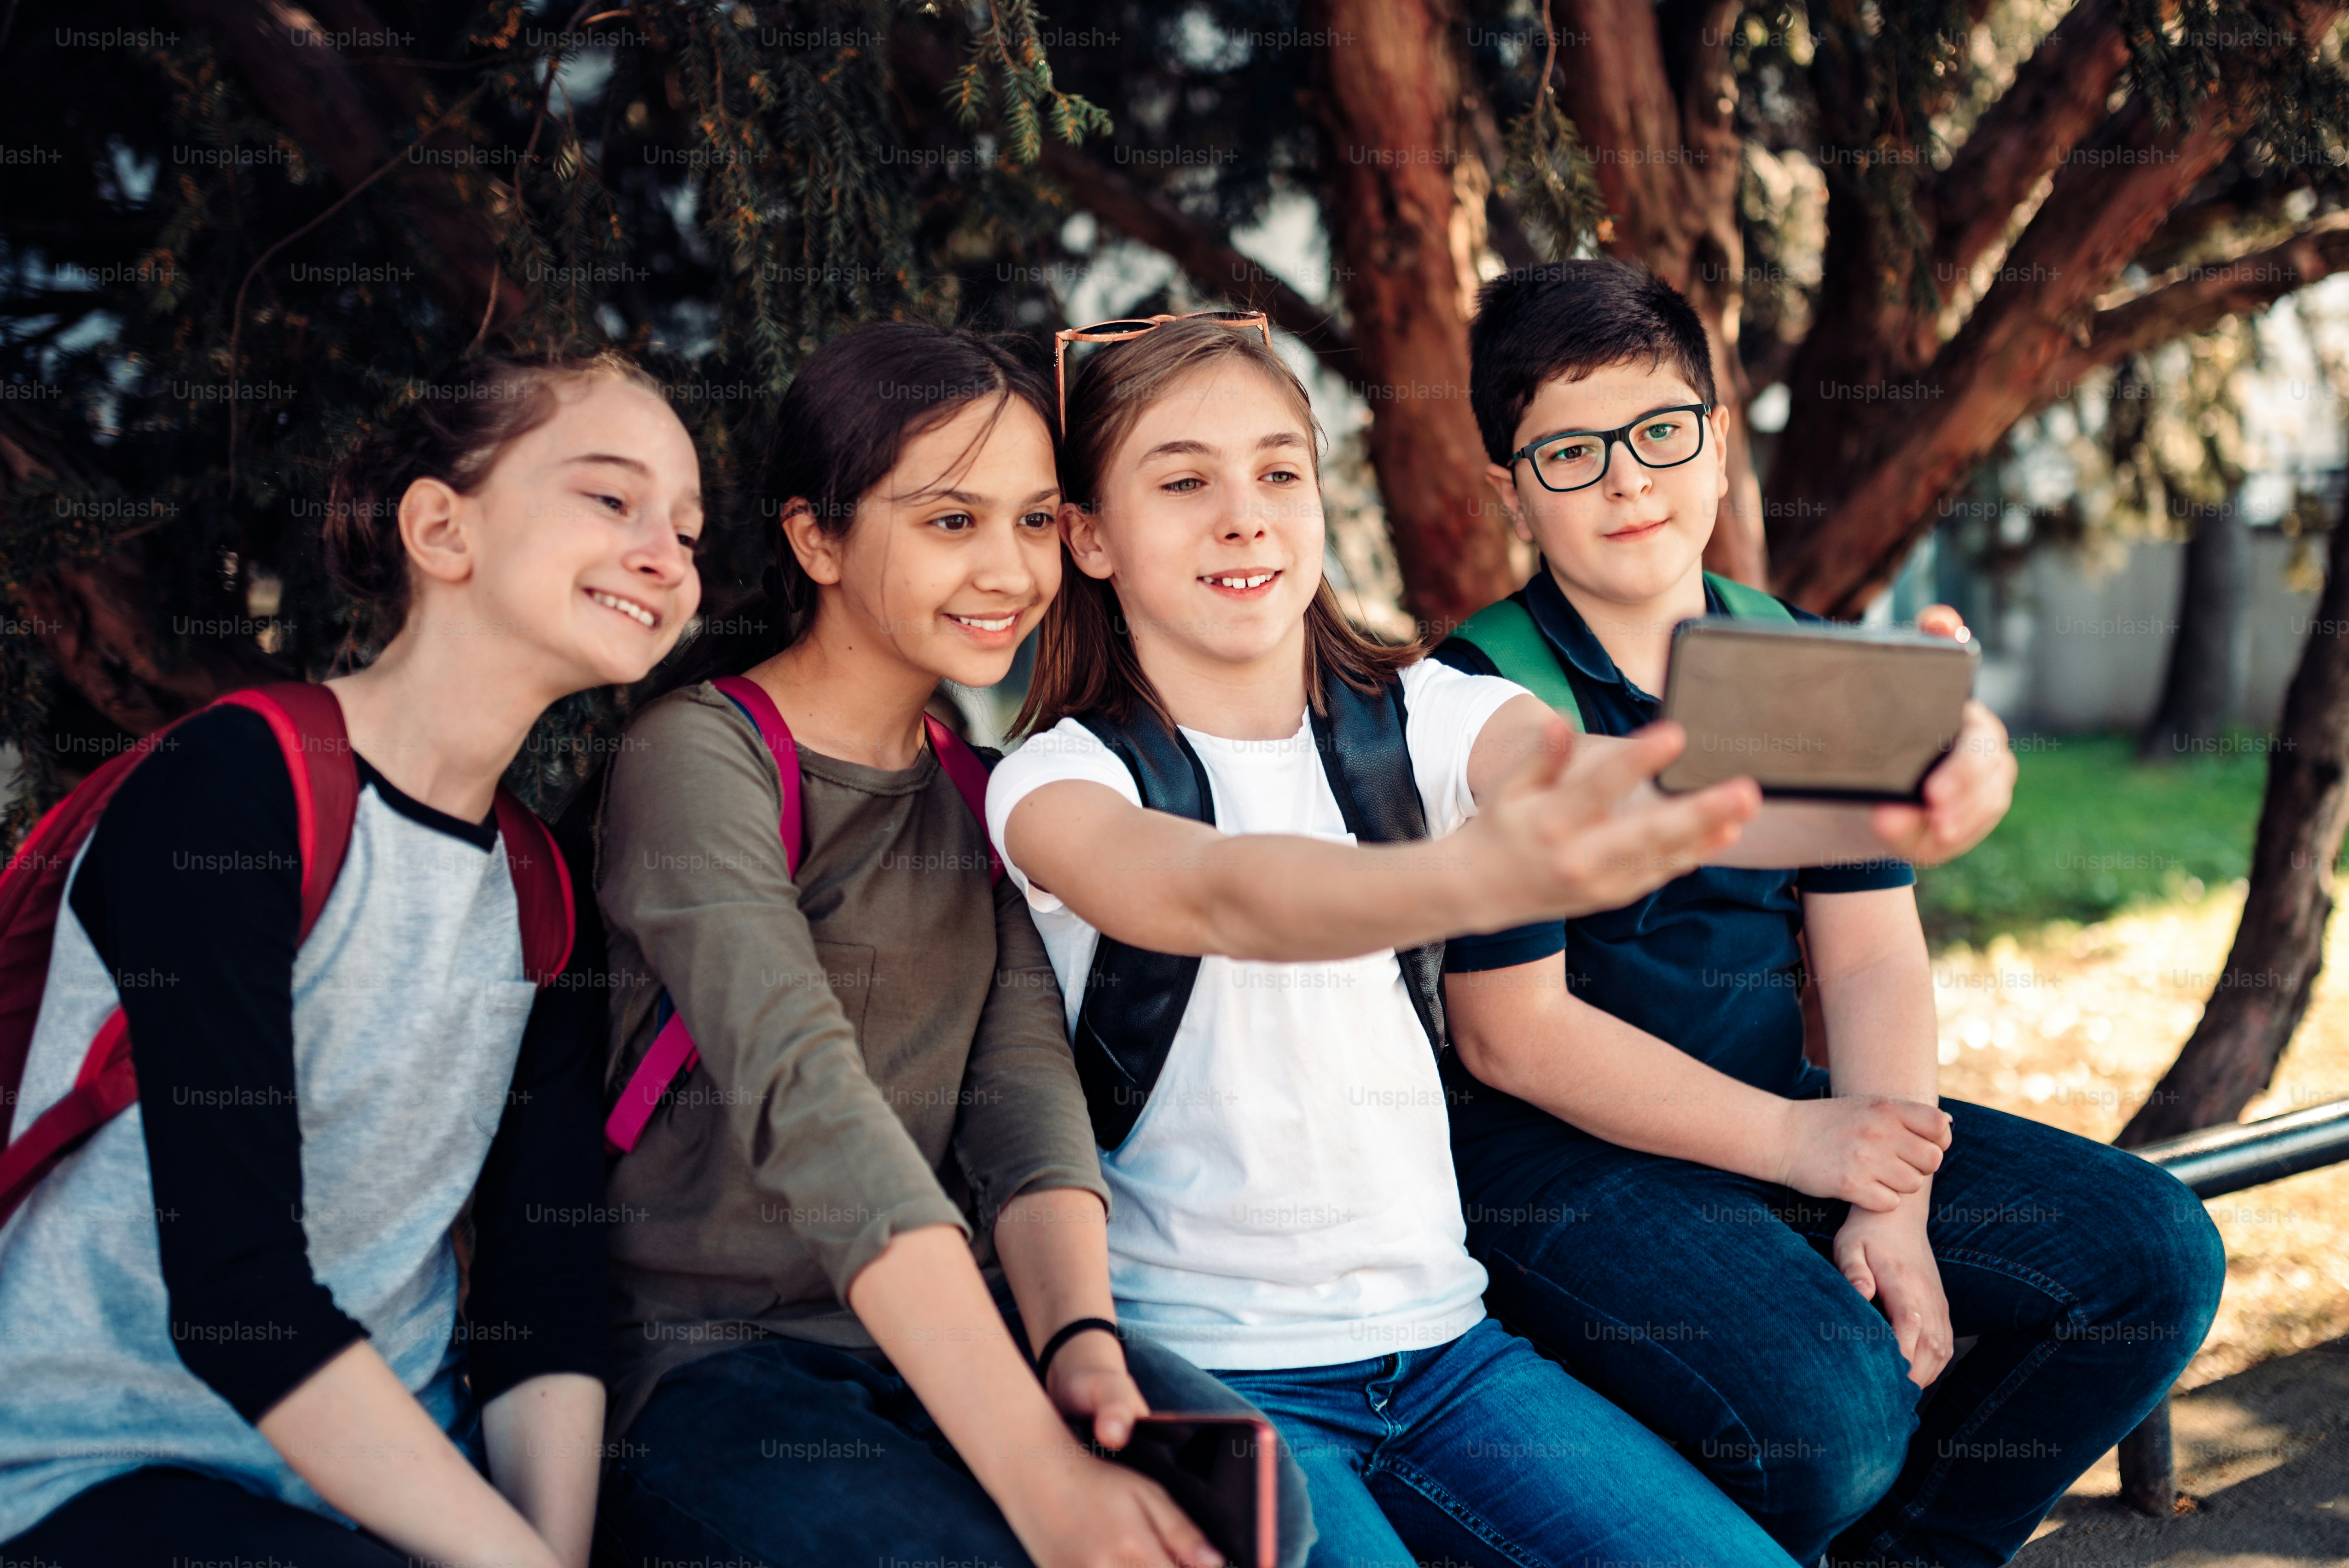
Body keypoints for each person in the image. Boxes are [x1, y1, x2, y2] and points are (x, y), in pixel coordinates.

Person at [991, 313, 1962, 1568]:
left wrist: (1899, 758)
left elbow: (1595, 775)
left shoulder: (1431, 714)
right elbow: (1215, 895)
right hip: (1217, 1377)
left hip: (1453, 1357)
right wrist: (1457, 876)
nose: (1245, 516)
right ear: (1089, 536)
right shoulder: (1054, 783)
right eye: (1185, 482)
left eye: (1281, 472)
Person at [1434, 258, 2226, 1568]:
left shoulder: (1791, 654)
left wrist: (1893, 1196)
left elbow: (1867, 956)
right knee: (1832, 1428)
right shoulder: (1483, 698)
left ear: (1718, 439)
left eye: (1658, 432)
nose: (1628, 479)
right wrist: (1809, 1148)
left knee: (2148, 1256)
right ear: (1507, 487)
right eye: (1568, 452)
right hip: (1555, 1161)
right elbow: (1511, 1035)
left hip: (1788, 1113)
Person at [588, 321, 1308, 1568]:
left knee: (1247, 1509)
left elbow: (1021, 1092)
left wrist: (1077, 1340)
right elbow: (809, 1097)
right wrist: (1039, 1478)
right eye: (950, 521)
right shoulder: (700, 756)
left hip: (957, 1327)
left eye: (1036, 521)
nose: (1012, 569)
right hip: (718, 1361)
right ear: (818, 538)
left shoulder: (983, 790)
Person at [0, 352, 701, 1568]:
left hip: (402, 1490)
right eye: (612, 498)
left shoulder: (542, 895)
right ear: (441, 528)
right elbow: (237, 1298)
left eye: (688, 531)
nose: (667, 554)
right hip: (98, 1468)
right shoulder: (233, 790)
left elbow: (542, 1290)